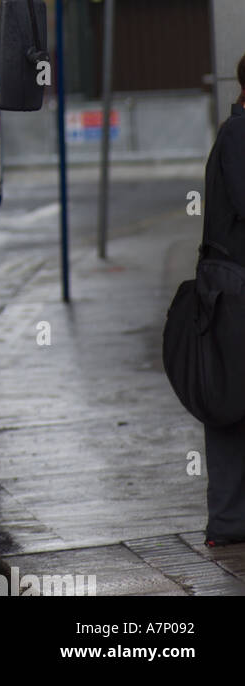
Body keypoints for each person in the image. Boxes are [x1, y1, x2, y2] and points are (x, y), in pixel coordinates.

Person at [202, 52, 245, 547]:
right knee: (233, 405)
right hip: (235, 296)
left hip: (233, 291)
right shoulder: (239, 135)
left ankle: (233, 519)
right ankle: (231, 521)